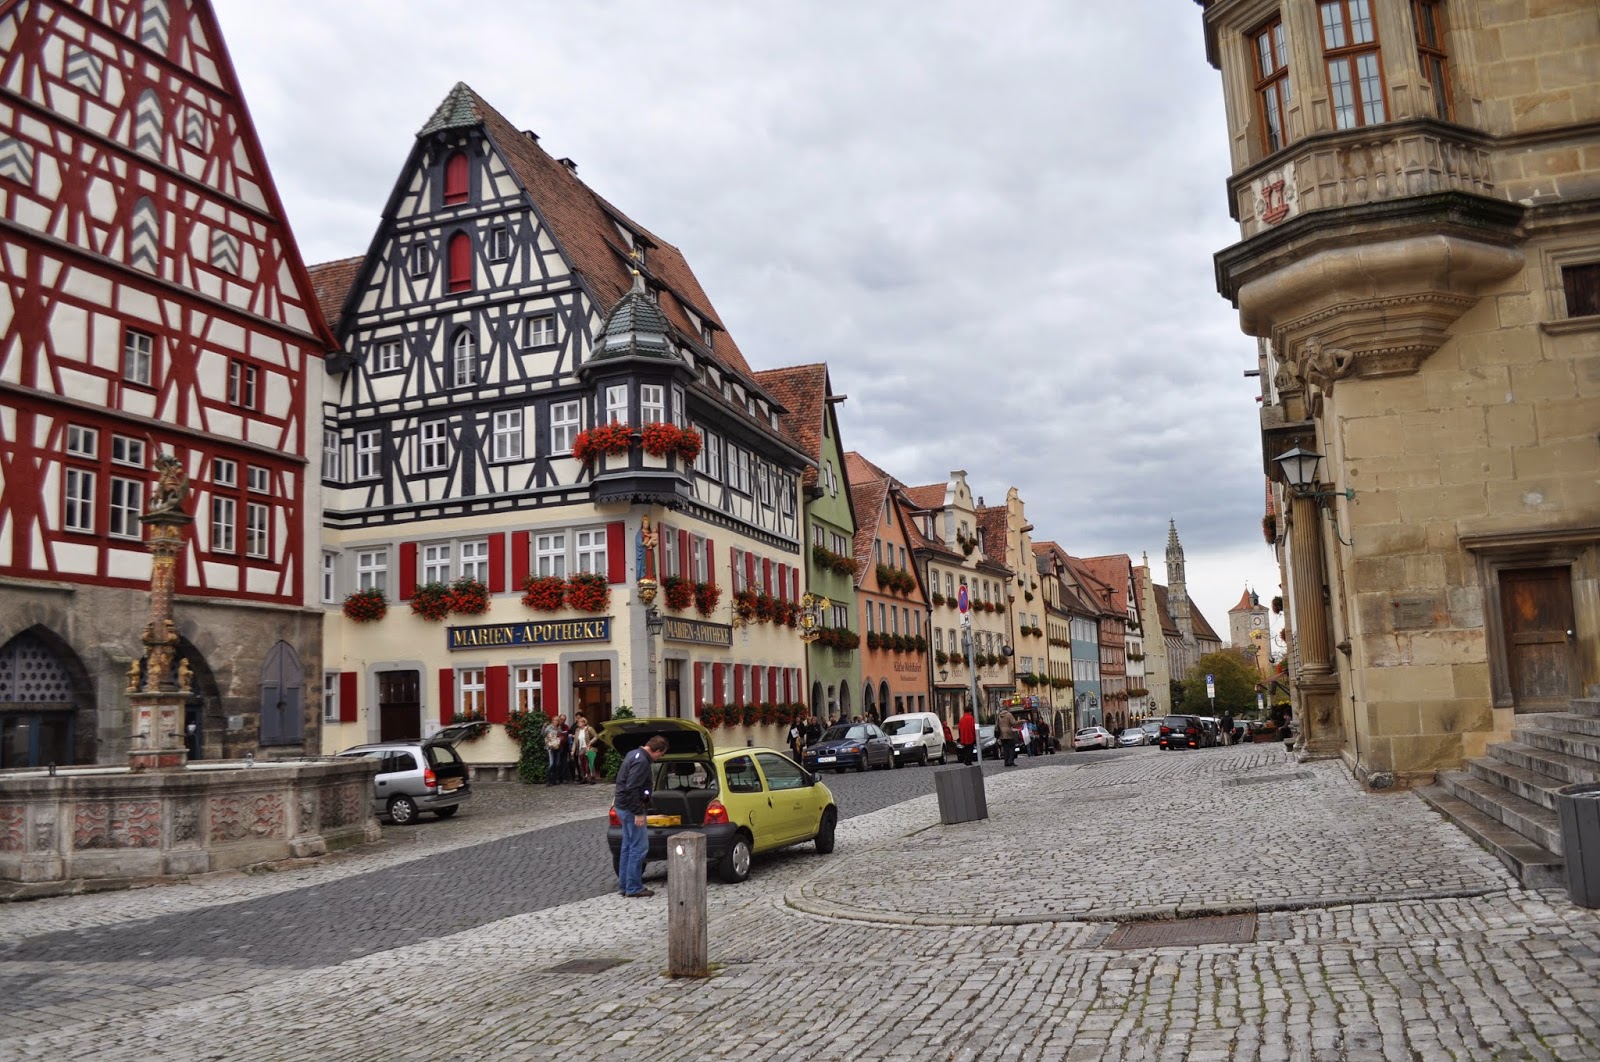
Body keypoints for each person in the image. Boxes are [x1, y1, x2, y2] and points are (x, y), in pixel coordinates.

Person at [613, 735, 668, 898]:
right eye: (661, 754)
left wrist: (647, 803)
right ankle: (633, 887)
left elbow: (639, 788)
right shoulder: (642, 762)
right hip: (630, 809)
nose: (660, 758)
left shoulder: (633, 754)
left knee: (627, 847)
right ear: (656, 750)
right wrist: (638, 812)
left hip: (622, 806)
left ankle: (624, 885)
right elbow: (632, 788)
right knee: (639, 847)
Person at [573, 714, 595, 783]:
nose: (578, 723)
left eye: (579, 722)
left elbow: (596, 736)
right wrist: (572, 750)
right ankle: (584, 777)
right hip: (581, 748)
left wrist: (590, 742)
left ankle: (592, 778)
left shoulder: (589, 728)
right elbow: (575, 741)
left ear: (584, 722)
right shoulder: (577, 730)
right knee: (580, 763)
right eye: (578, 722)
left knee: (590, 763)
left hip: (588, 747)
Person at [543, 715, 564, 785]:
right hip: (550, 747)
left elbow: (561, 736)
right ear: (552, 721)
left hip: (557, 747)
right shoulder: (549, 727)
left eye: (557, 720)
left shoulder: (559, 728)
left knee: (557, 763)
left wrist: (561, 738)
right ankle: (548, 780)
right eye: (554, 720)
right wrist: (543, 727)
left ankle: (555, 780)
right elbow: (543, 734)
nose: (555, 721)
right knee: (551, 764)